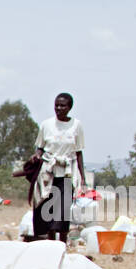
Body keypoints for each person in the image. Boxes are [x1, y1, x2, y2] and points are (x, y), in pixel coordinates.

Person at [30, 92, 85, 241]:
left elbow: (79, 153)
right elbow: (40, 147)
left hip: (67, 172)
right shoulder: (46, 125)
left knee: (62, 211)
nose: (59, 108)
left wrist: (83, 179)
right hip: (48, 172)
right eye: (56, 105)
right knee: (46, 208)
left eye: (63, 105)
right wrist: (37, 155)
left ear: (69, 107)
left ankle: (62, 244)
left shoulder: (76, 126)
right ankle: (50, 242)